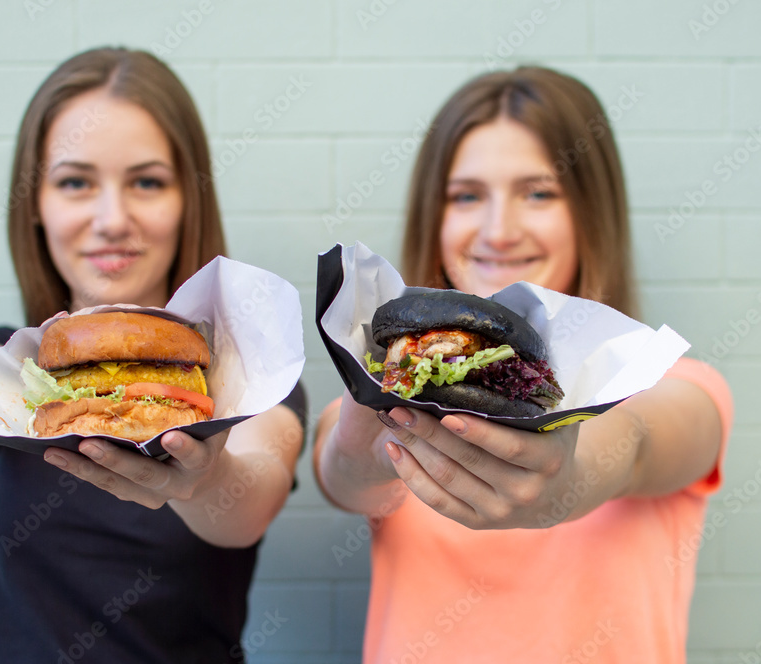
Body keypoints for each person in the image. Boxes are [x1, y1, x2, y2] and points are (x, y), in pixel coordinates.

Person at [314, 66, 732, 663]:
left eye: (539, 192)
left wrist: (569, 476)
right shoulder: (379, 397)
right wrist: (375, 417)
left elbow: (637, 443)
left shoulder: (683, 389)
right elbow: (341, 475)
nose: (498, 230)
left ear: (592, 212)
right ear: (433, 214)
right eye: (466, 195)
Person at [0, 47, 305, 663]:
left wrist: (207, 475)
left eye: (147, 182)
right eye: (76, 182)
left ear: (188, 199)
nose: (112, 219)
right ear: (36, 205)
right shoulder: (0, 361)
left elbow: (249, 504)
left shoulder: (246, 374)